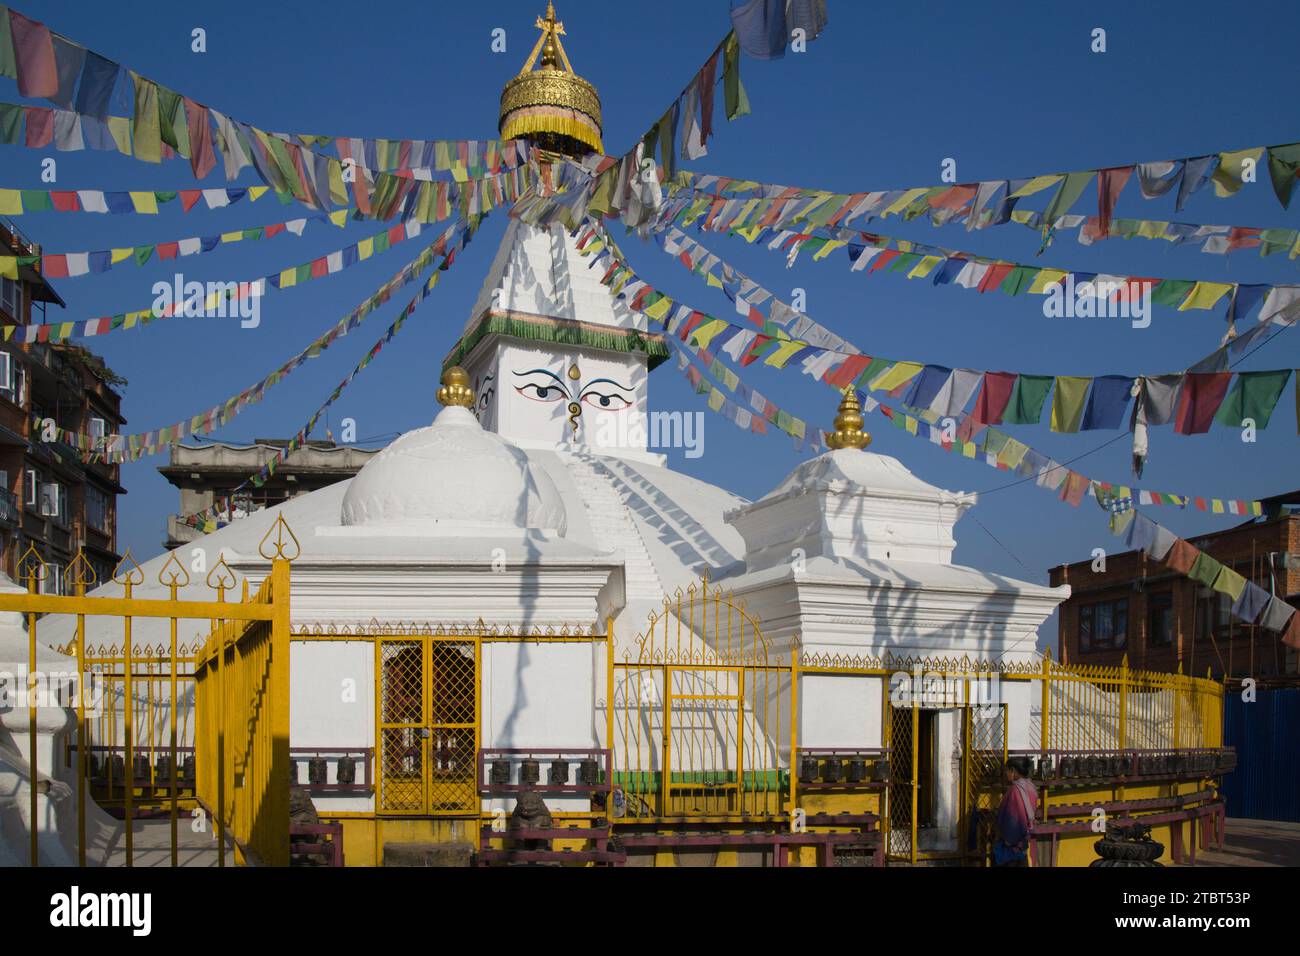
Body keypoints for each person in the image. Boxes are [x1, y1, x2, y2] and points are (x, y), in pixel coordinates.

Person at [993, 756, 1038, 866]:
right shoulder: (1032, 788)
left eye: (1007, 771)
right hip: (1023, 843)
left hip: (1010, 847)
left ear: (1012, 770)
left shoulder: (1014, 790)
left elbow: (1008, 817)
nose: (1006, 774)